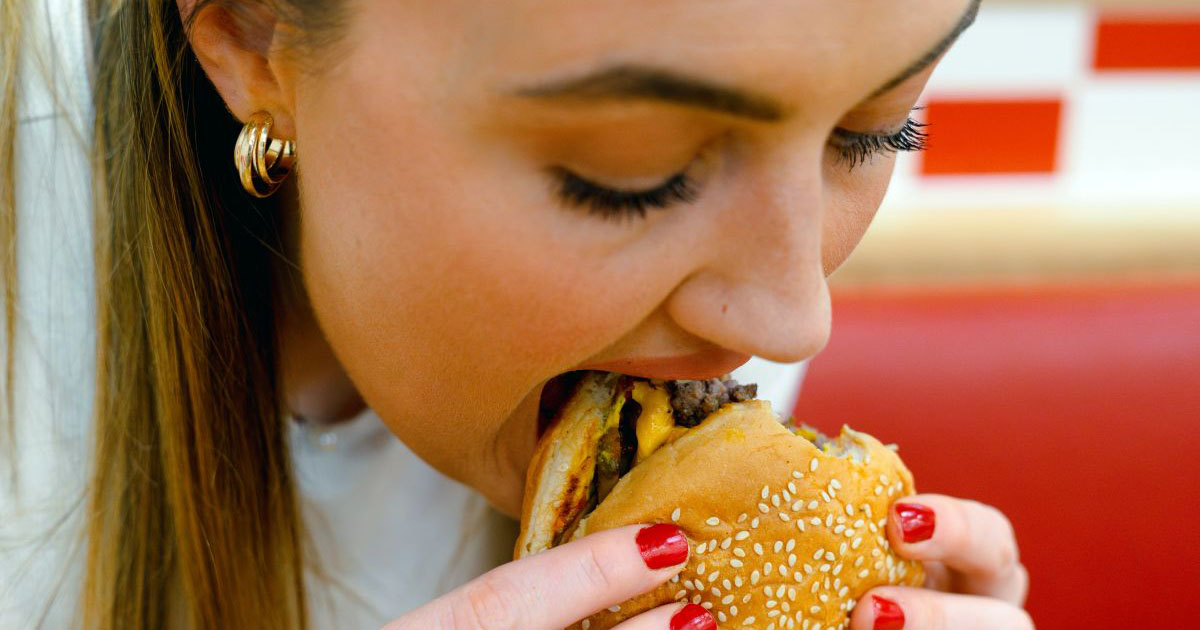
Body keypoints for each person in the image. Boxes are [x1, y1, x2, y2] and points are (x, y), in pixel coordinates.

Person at [0, 0, 1031, 628]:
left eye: (875, 133)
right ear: (256, 40)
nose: (795, 319)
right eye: (635, 173)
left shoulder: (714, 307)